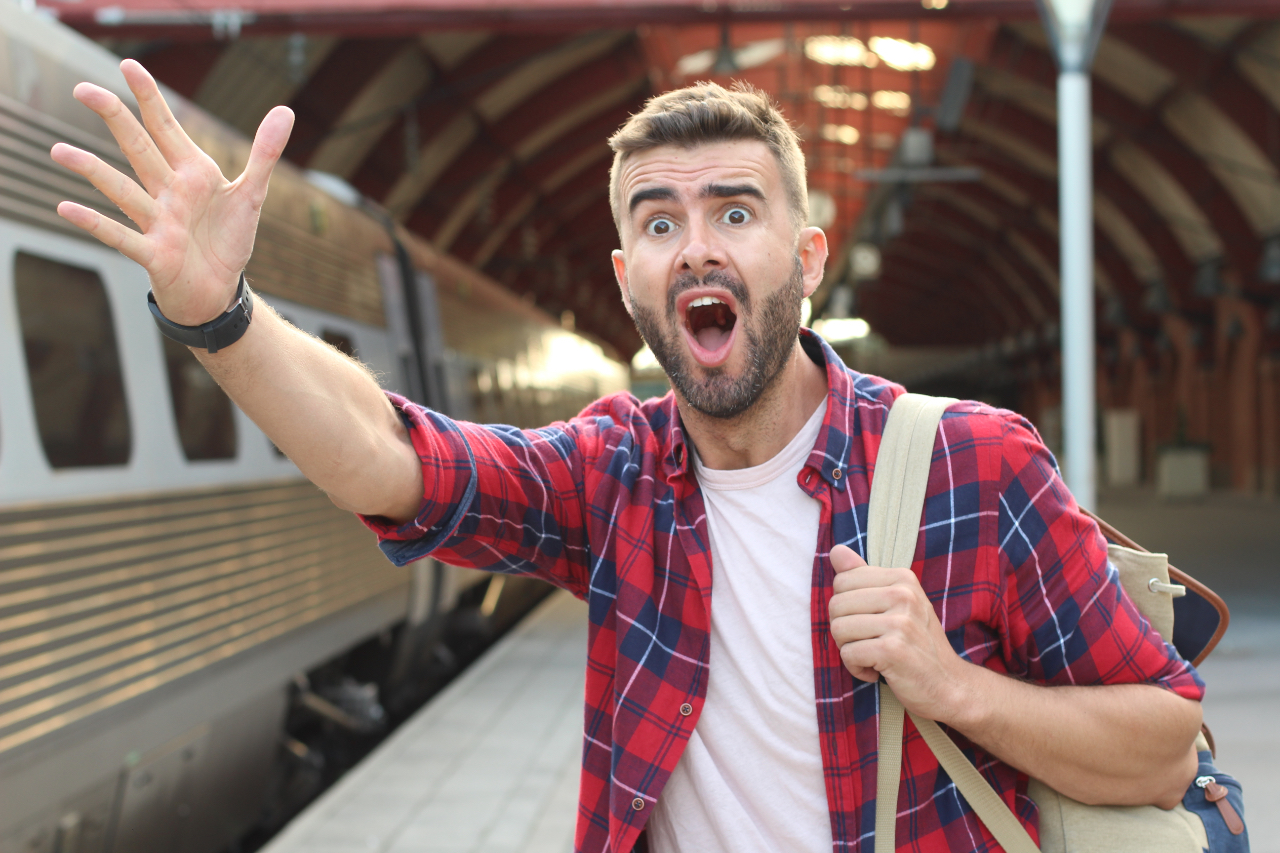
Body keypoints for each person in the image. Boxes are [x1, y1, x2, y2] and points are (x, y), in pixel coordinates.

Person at [52, 62, 1204, 853]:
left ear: (805, 255)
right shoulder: (613, 473)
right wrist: (219, 317)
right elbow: (384, 456)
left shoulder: (971, 462)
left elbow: (1161, 744)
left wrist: (955, 688)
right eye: (658, 222)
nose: (695, 245)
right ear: (624, 279)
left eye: (733, 212)